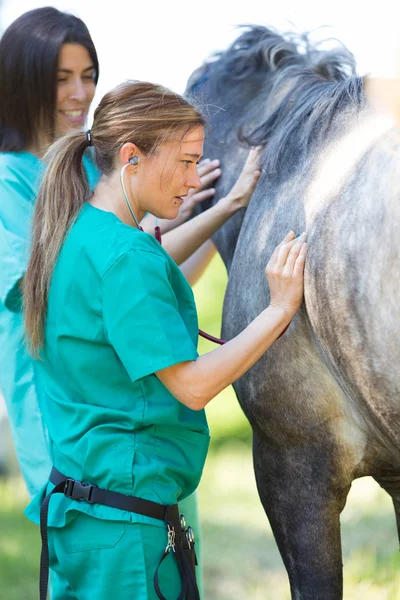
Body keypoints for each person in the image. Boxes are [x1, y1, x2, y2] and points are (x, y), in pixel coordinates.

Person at [23, 80, 306, 600]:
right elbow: (193, 387)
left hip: (85, 520)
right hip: (127, 536)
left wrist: (226, 207)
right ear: (132, 157)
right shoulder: (124, 259)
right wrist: (279, 309)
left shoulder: (75, 231)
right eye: (186, 161)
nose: (194, 179)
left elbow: (144, 271)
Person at [0, 9, 219, 591]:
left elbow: (141, 296)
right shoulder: (14, 184)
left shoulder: (83, 177)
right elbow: (121, 287)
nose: (78, 92)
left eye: (88, 74)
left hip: (128, 419)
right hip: (77, 420)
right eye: (60, 77)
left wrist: (217, 216)